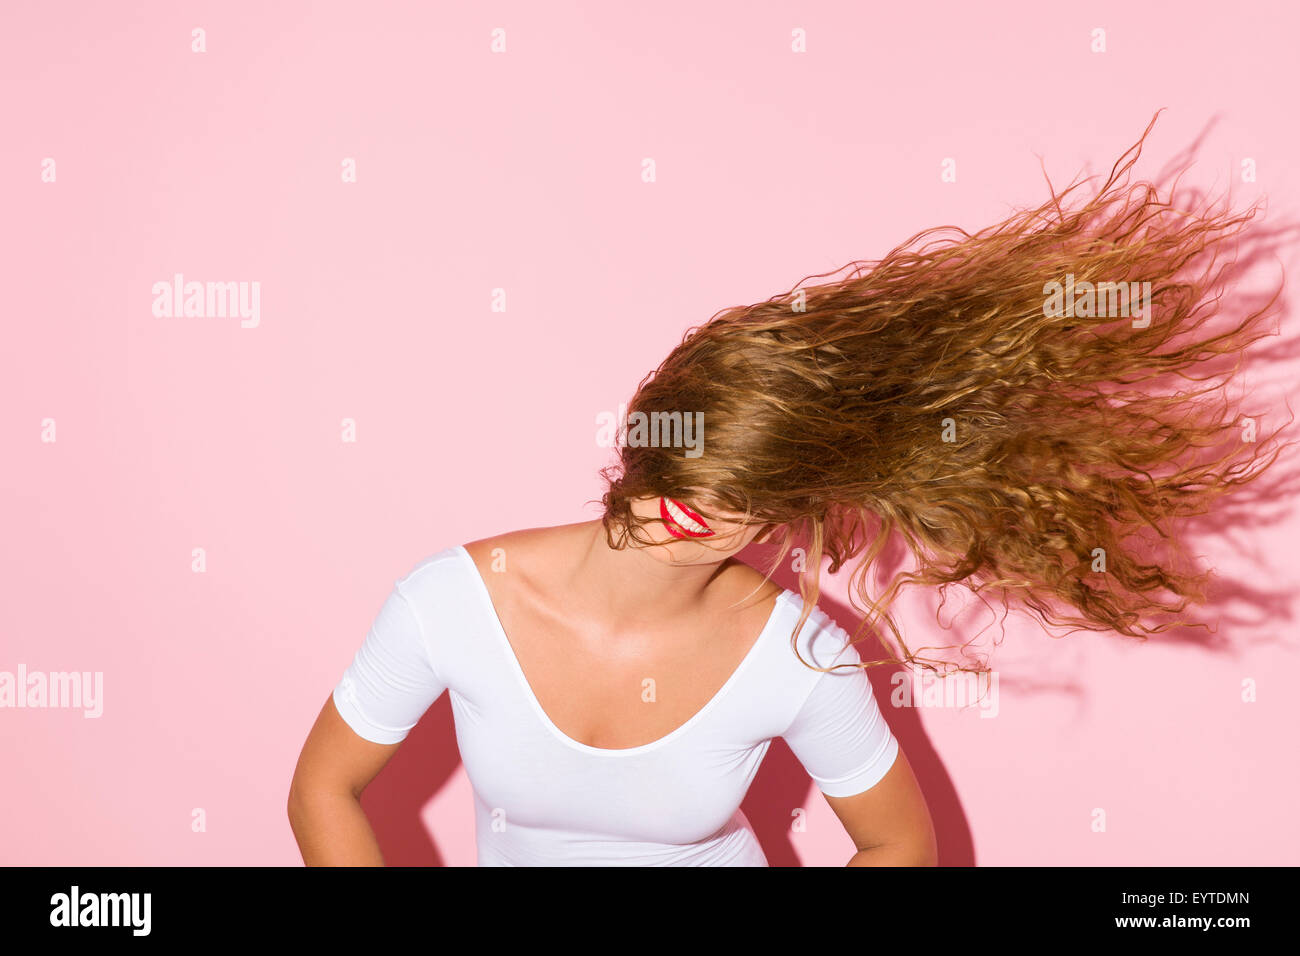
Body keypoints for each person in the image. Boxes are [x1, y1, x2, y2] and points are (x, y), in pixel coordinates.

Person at [287, 113, 1284, 865]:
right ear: (646, 429)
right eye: (691, 452)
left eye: (747, 485)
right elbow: (322, 788)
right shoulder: (453, 600)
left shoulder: (798, 651)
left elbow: (901, 845)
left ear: (786, 507)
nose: (700, 497)